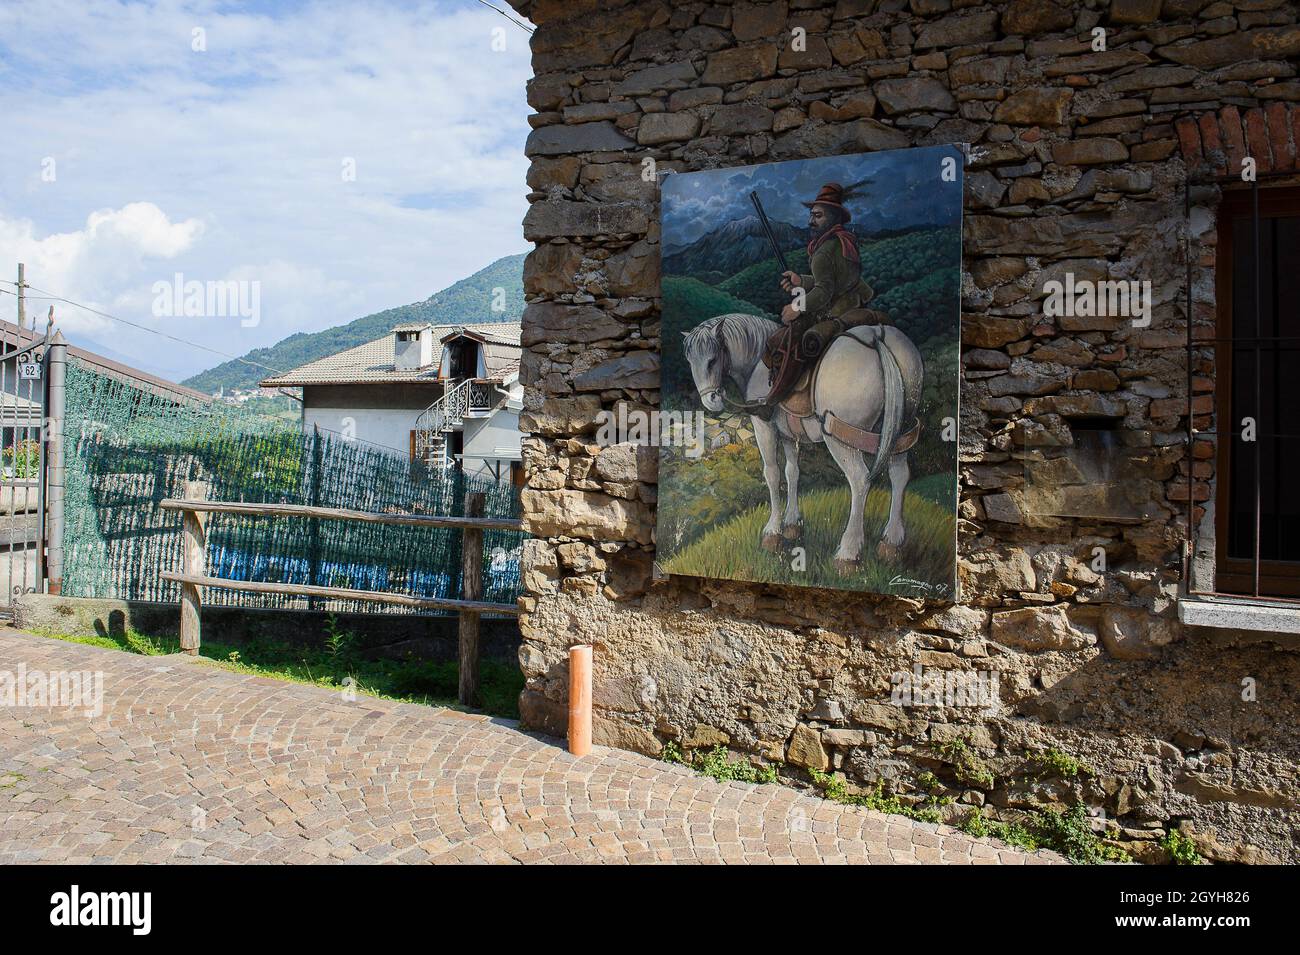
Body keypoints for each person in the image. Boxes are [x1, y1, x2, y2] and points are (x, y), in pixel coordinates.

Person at [751, 182, 887, 419]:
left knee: (786, 340)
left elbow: (824, 292)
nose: (810, 221)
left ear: (832, 217)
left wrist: (797, 307)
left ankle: (771, 401)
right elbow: (832, 279)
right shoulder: (843, 240)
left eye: (817, 216)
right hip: (854, 303)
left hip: (834, 310)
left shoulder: (824, 250)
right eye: (811, 215)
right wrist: (800, 280)